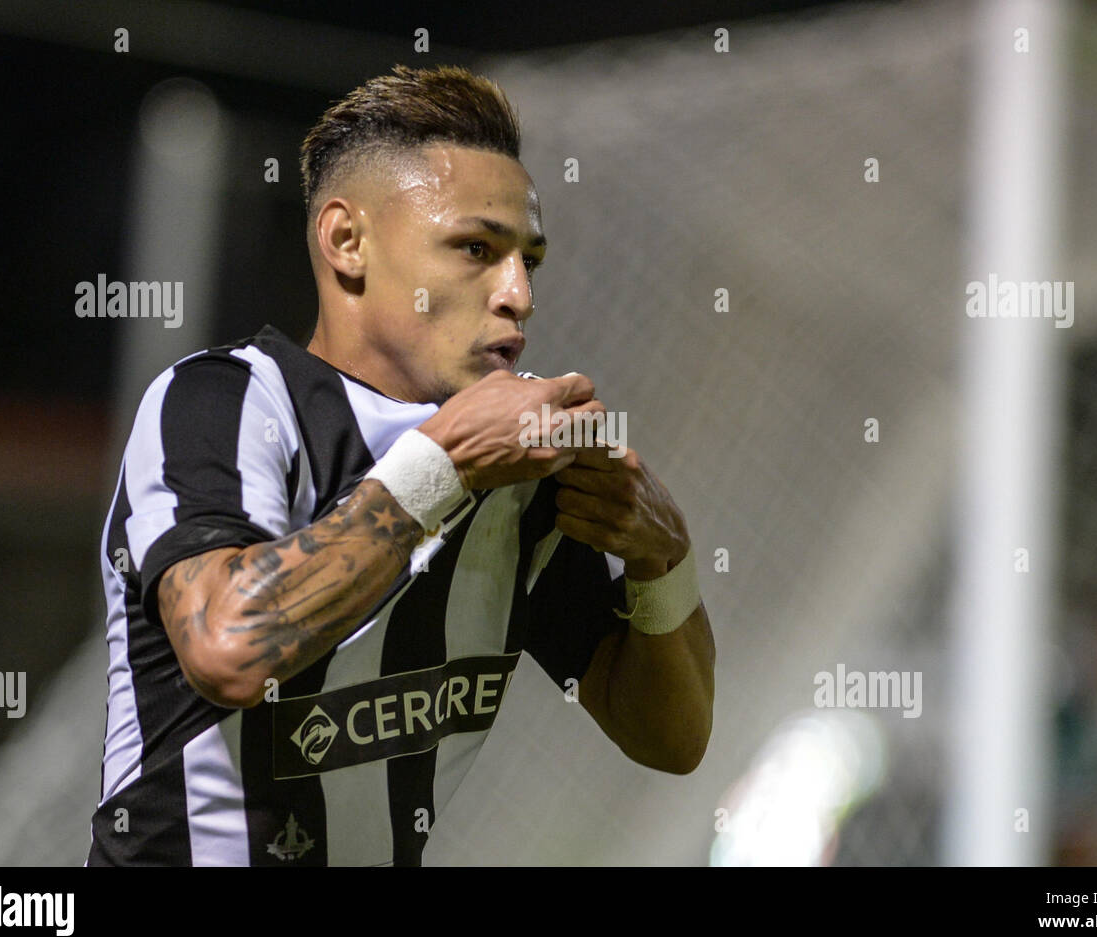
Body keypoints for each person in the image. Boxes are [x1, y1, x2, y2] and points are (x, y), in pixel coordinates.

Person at [87, 64, 715, 866]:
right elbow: (227, 646)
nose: (519, 294)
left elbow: (670, 739)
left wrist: (665, 561)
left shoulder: (521, 478)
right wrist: (445, 464)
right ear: (348, 241)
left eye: (530, 260)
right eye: (476, 248)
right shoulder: (226, 402)